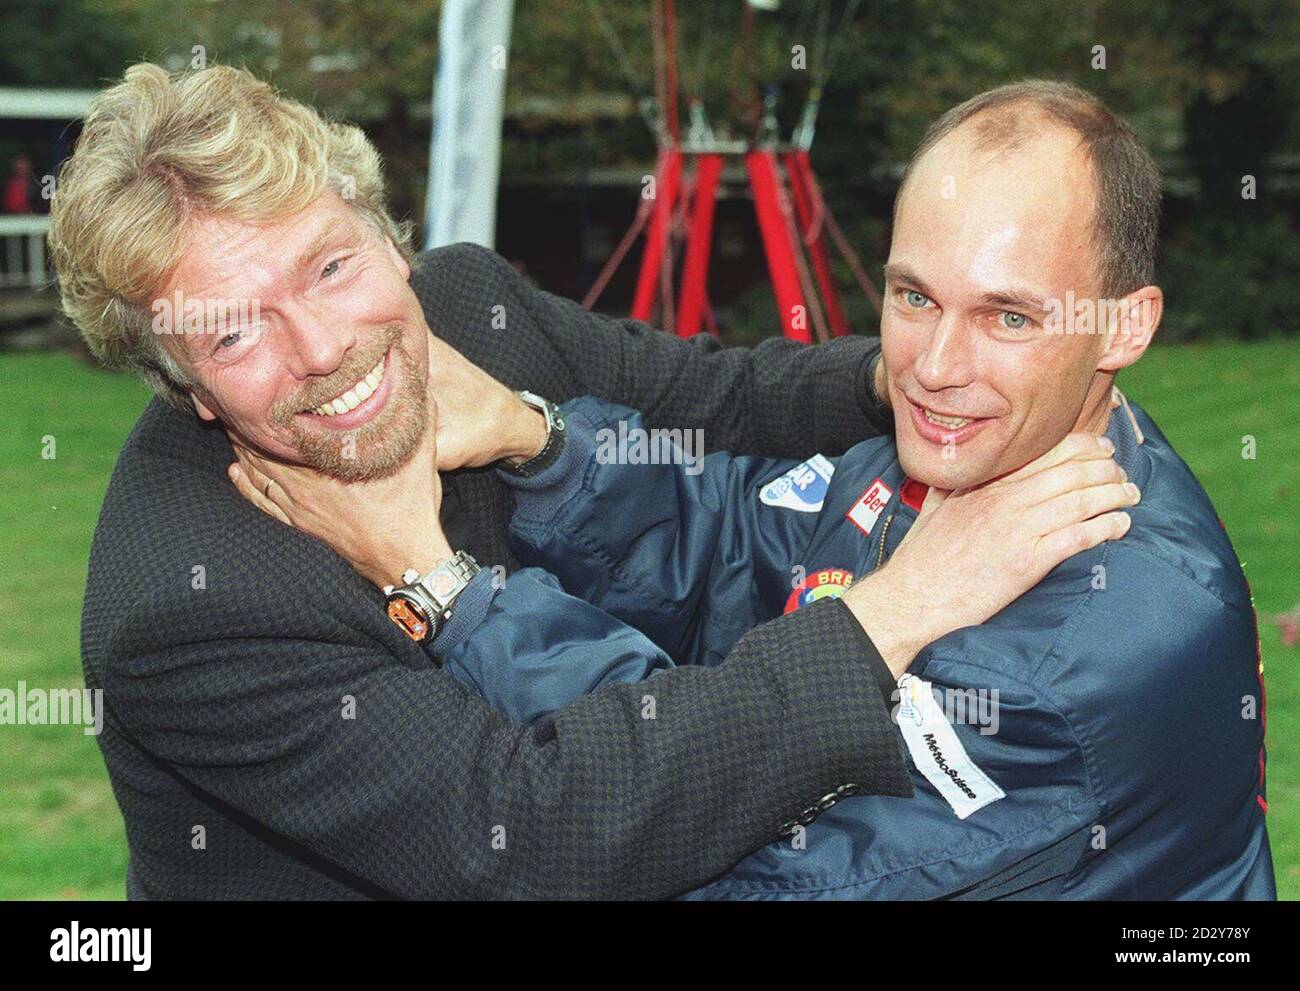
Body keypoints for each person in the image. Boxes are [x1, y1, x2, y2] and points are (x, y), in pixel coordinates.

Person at [51, 63, 1134, 900]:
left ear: (389, 235)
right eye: (235, 333)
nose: (323, 347)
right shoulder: (189, 610)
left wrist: (957, 369)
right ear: (182, 381)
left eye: (330, 267)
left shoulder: (473, 309)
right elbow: (537, 832)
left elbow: (725, 400)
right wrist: (887, 618)